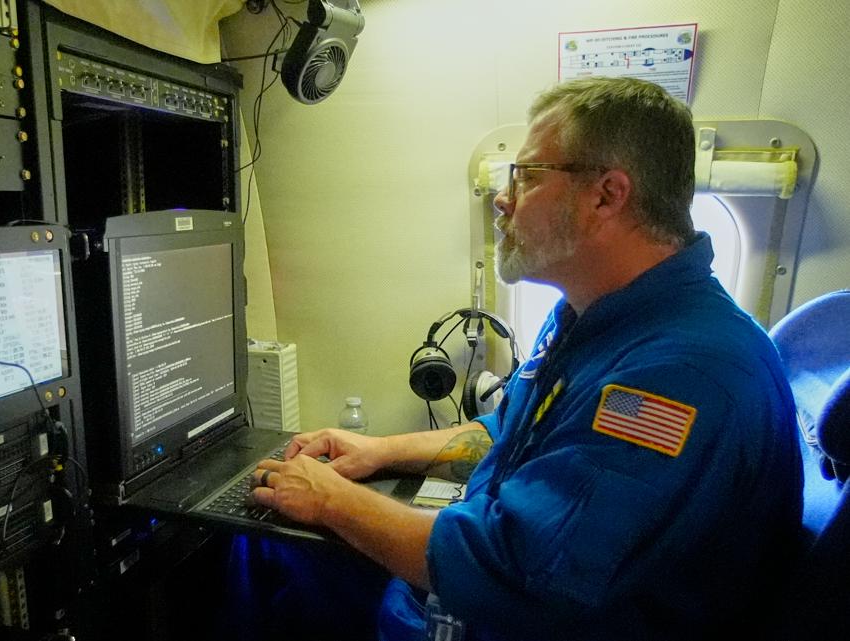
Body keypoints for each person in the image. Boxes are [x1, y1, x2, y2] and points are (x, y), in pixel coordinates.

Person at [245, 76, 803, 641]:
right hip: (500, 585)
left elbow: (518, 570)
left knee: (261, 549)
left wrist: (333, 500)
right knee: (270, 542)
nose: (502, 197)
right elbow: (512, 429)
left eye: (529, 175)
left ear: (606, 196)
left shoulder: (678, 374)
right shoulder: (595, 316)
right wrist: (378, 451)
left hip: (520, 611)